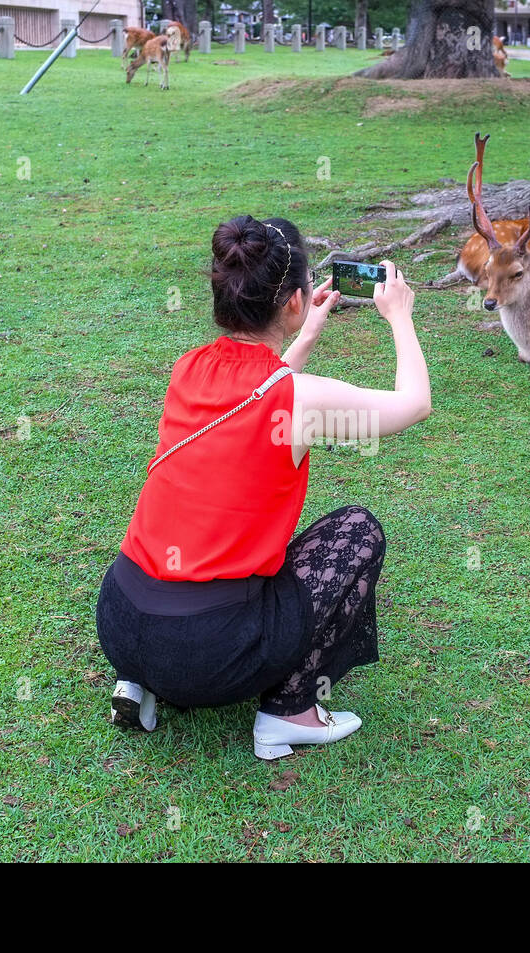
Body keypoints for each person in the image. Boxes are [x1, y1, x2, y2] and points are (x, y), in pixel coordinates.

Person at [96, 215, 432, 760]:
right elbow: (414, 403)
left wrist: (306, 336)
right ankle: (289, 712)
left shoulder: (189, 369)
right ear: (294, 299)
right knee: (356, 532)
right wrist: (399, 316)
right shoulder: (298, 400)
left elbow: (256, 395)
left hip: (121, 616)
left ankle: (137, 680)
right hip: (206, 651)